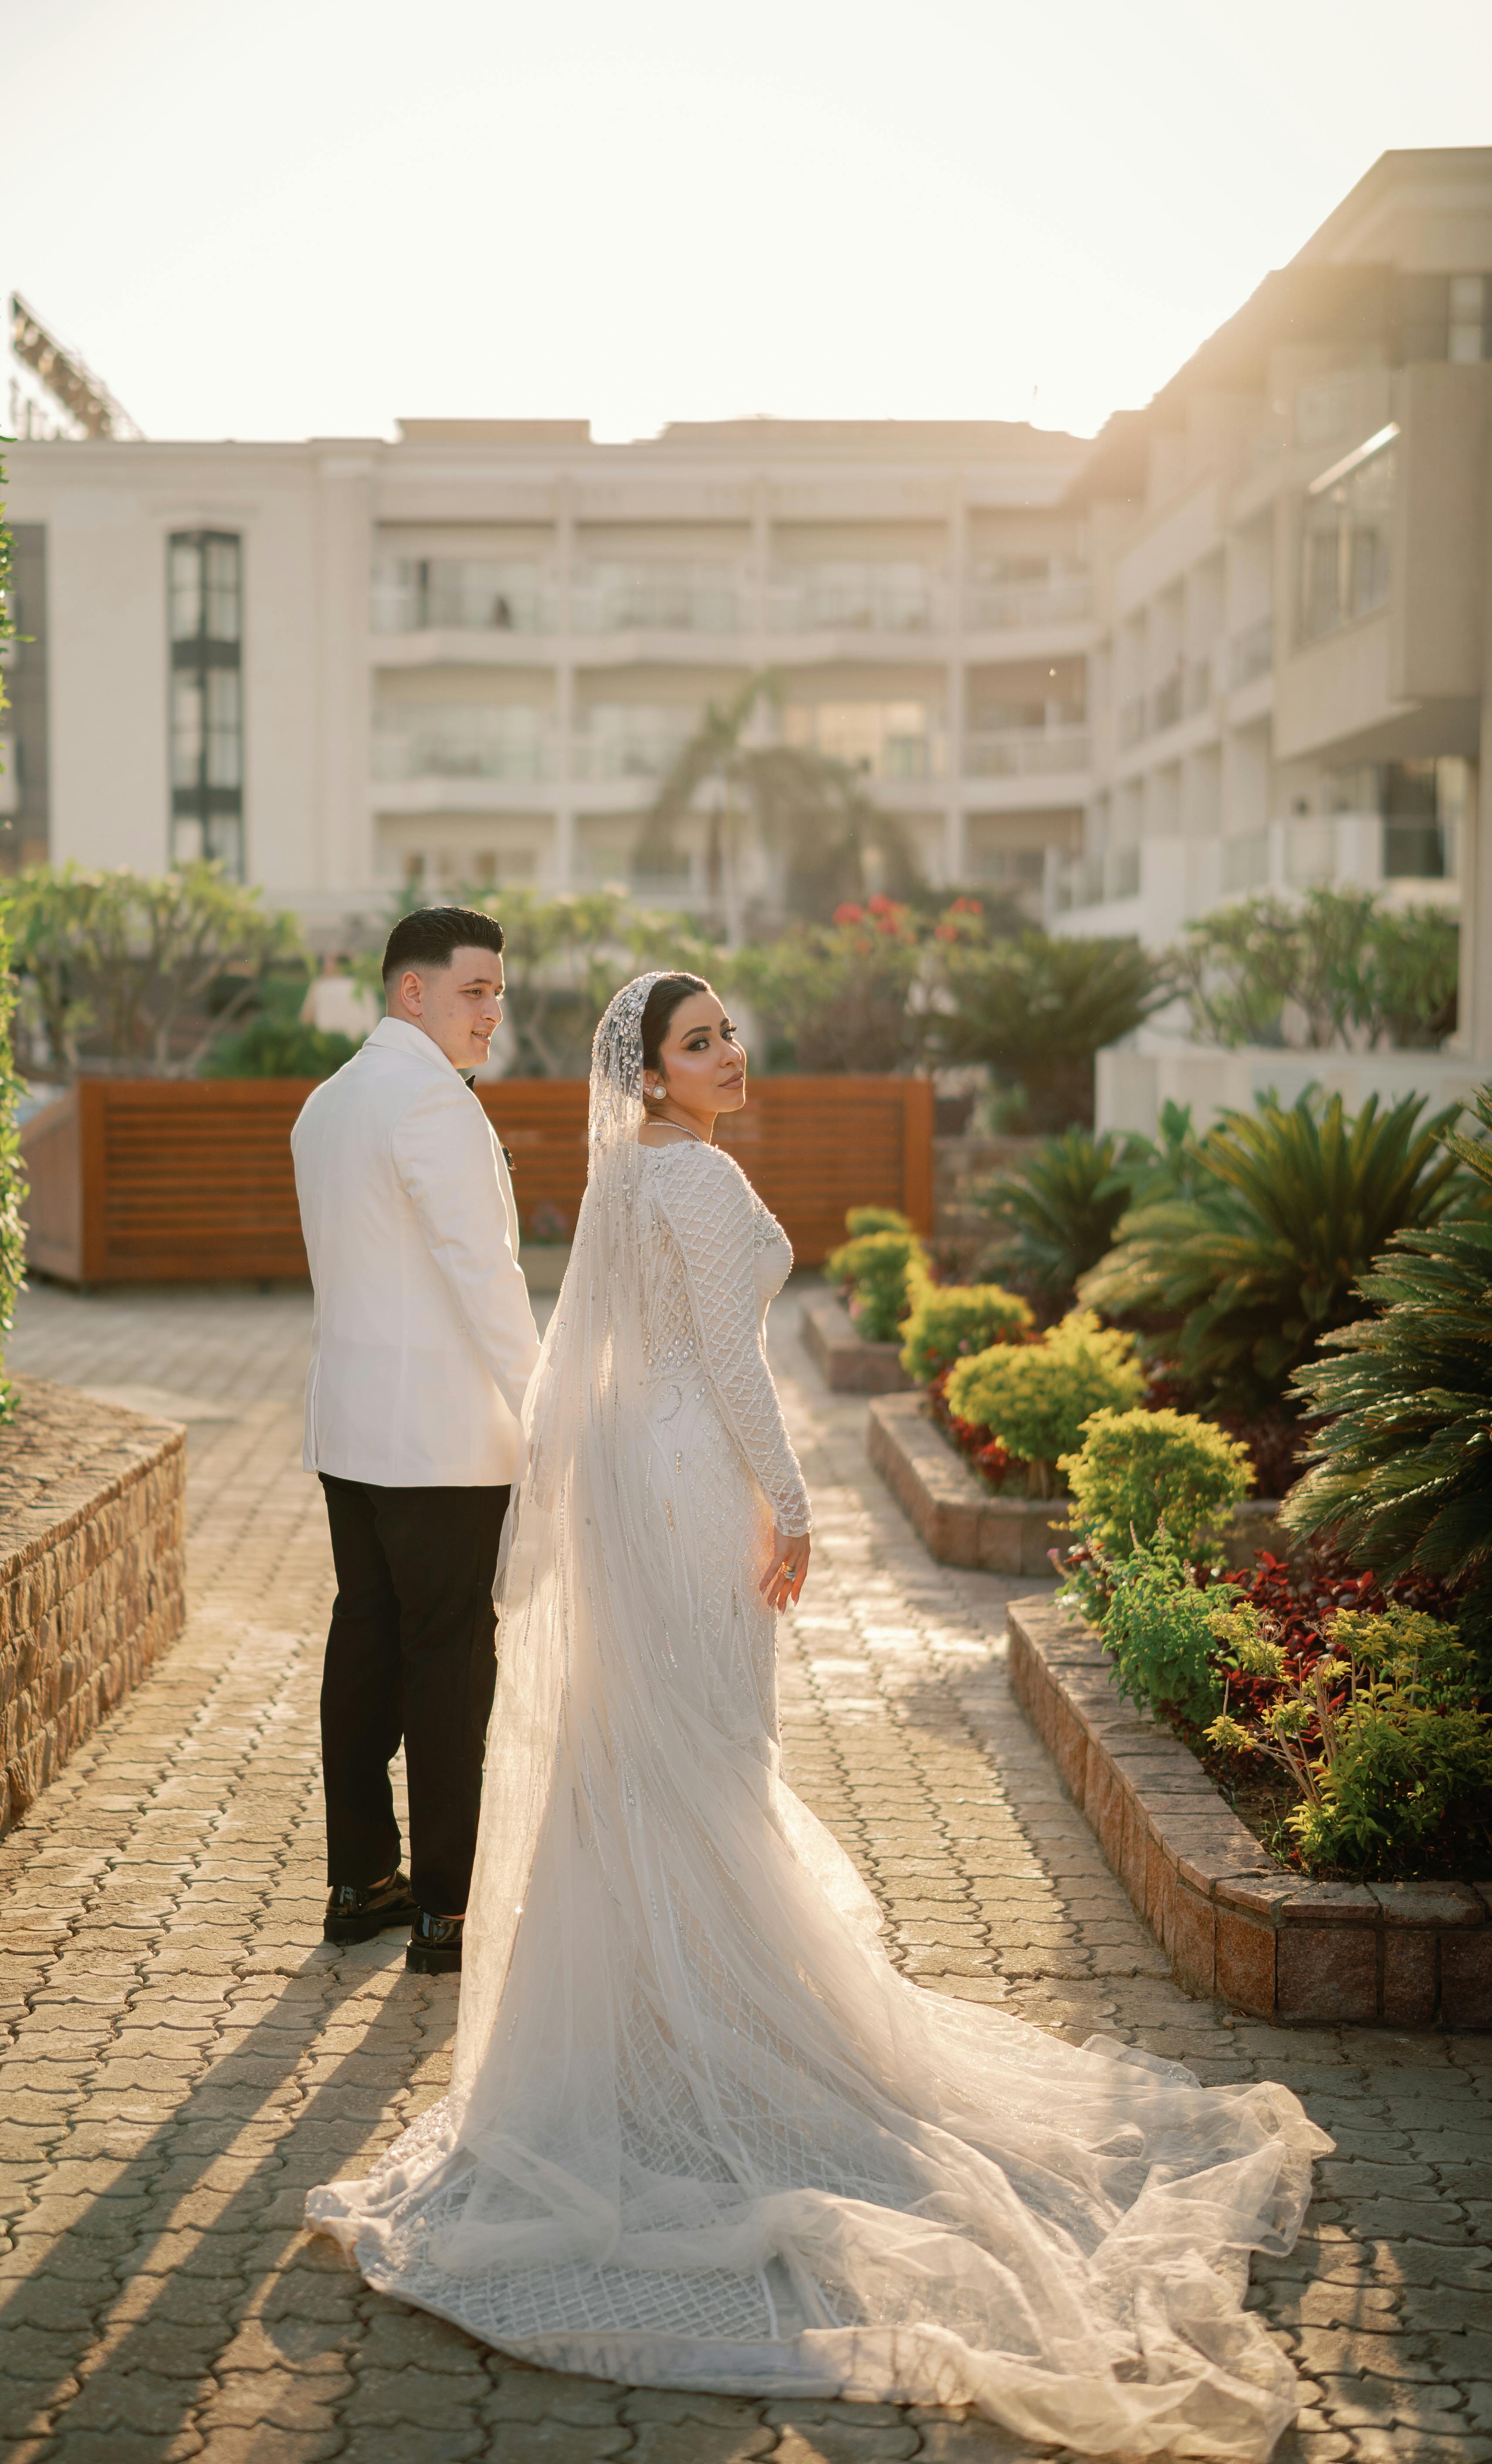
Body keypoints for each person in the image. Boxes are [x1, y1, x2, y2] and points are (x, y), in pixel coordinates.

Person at [307, 971, 1330, 2457]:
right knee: (711, 1765)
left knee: (648, 1766)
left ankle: (645, 2046)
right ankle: (718, 2043)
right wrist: (787, 1506)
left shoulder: (626, 1177)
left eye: (729, 1035)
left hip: (628, 1487)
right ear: (651, 1076)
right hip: (697, 1485)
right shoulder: (702, 1182)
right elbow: (732, 1367)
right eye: (700, 1043)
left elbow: (588, 1369)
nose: (734, 1056)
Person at [291, 904, 540, 1975]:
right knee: (447, 1666)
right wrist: (546, 1410)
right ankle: (446, 1909)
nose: (494, 1011)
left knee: (366, 1643)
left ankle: (360, 1883)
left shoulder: (328, 1103)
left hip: (351, 1432)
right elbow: (484, 1276)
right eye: (475, 990)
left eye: (497, 990)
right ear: (412, 992)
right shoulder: (433, 1107)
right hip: (438, 1443)